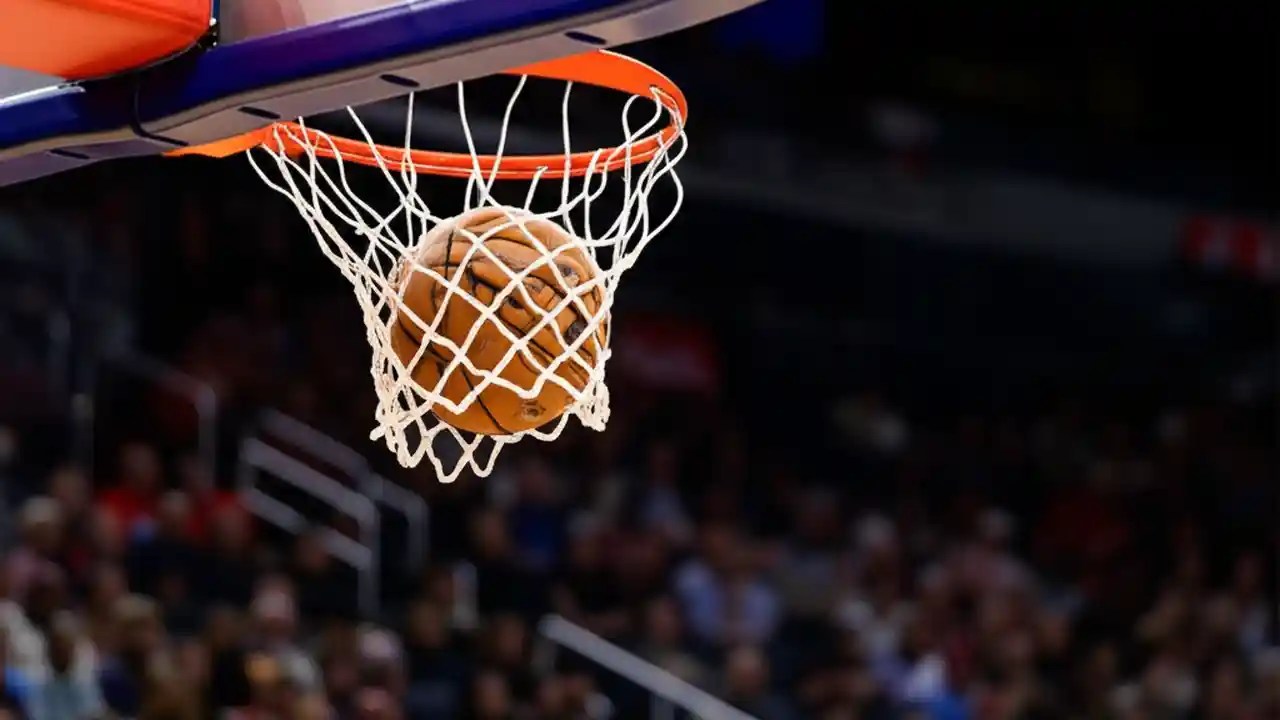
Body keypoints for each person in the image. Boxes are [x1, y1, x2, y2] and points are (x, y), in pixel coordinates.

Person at [27, 613, 103, 720]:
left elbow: (91, 713)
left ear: (72, 651)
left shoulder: (84, 683)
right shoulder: (39, 684)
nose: (60, 654)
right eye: (56, 649)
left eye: (64, 649)